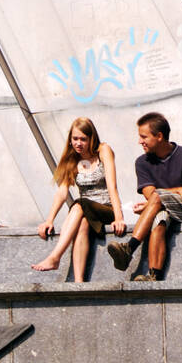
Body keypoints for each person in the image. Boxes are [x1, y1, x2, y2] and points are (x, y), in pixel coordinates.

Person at [108, 112, 182, 282]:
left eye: (143, 136)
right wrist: (180, 189)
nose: (140, 141)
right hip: (162, 207)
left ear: (159, 136)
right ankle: (154, 276)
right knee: (159, 220)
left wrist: (163, 198)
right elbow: (150, 195)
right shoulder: (142, 162)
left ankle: (129, 249)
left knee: (157, 200)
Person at [32, 117, 126, 282]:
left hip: (105, 210)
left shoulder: (103, 150)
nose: (78, 143)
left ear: (91, 138)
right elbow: (62, 192)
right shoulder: (71, 159)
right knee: (82, 223)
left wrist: (119, 217)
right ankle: (79, 281)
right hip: (85, 212)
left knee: (78, 204)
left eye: (83, 139)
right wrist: (49, 220)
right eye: (75, 139)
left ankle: (55, 257)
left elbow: (112, 186)